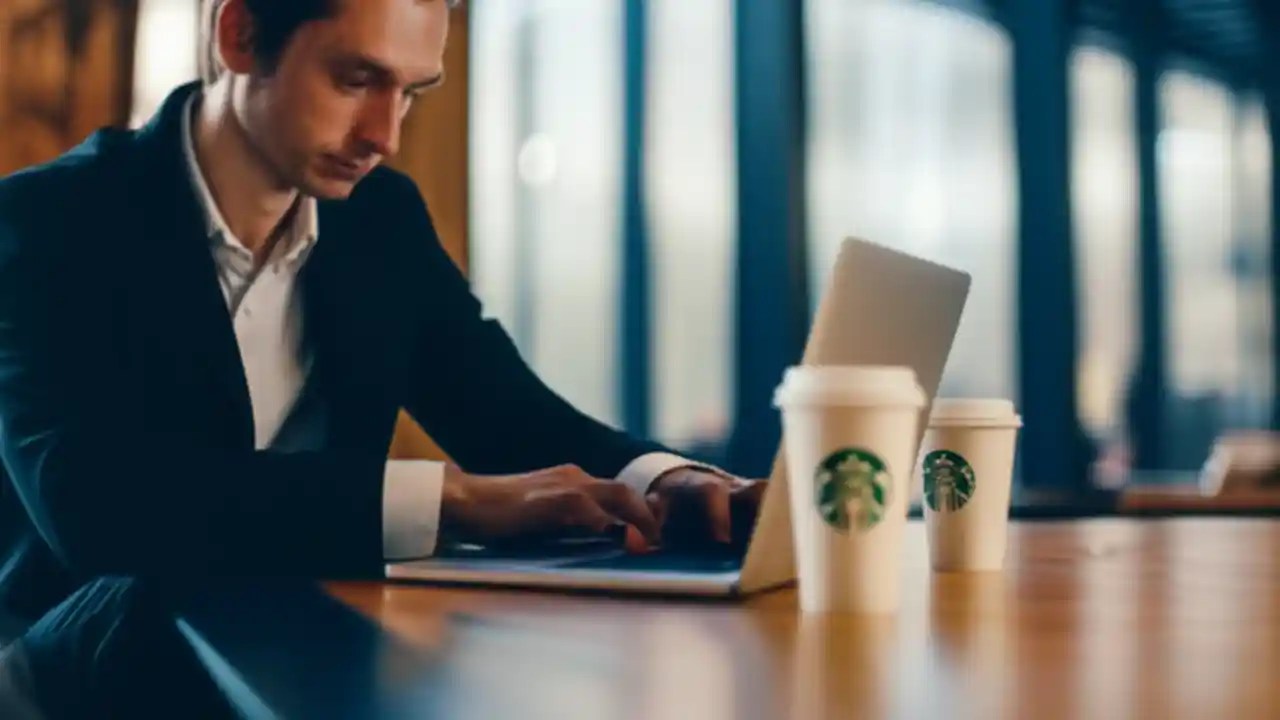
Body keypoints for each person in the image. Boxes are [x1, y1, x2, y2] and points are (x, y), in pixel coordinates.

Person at [0, 0, 762, 714]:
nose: (384, 135)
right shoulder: (48, 221)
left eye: (410, 93)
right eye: (356, 79)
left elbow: (507, 413)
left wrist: (668, 482)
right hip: (75, 668)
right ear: (240, 35)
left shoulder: (381, 220)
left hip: (301, 659)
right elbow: (97, 506)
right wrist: (449, 500)